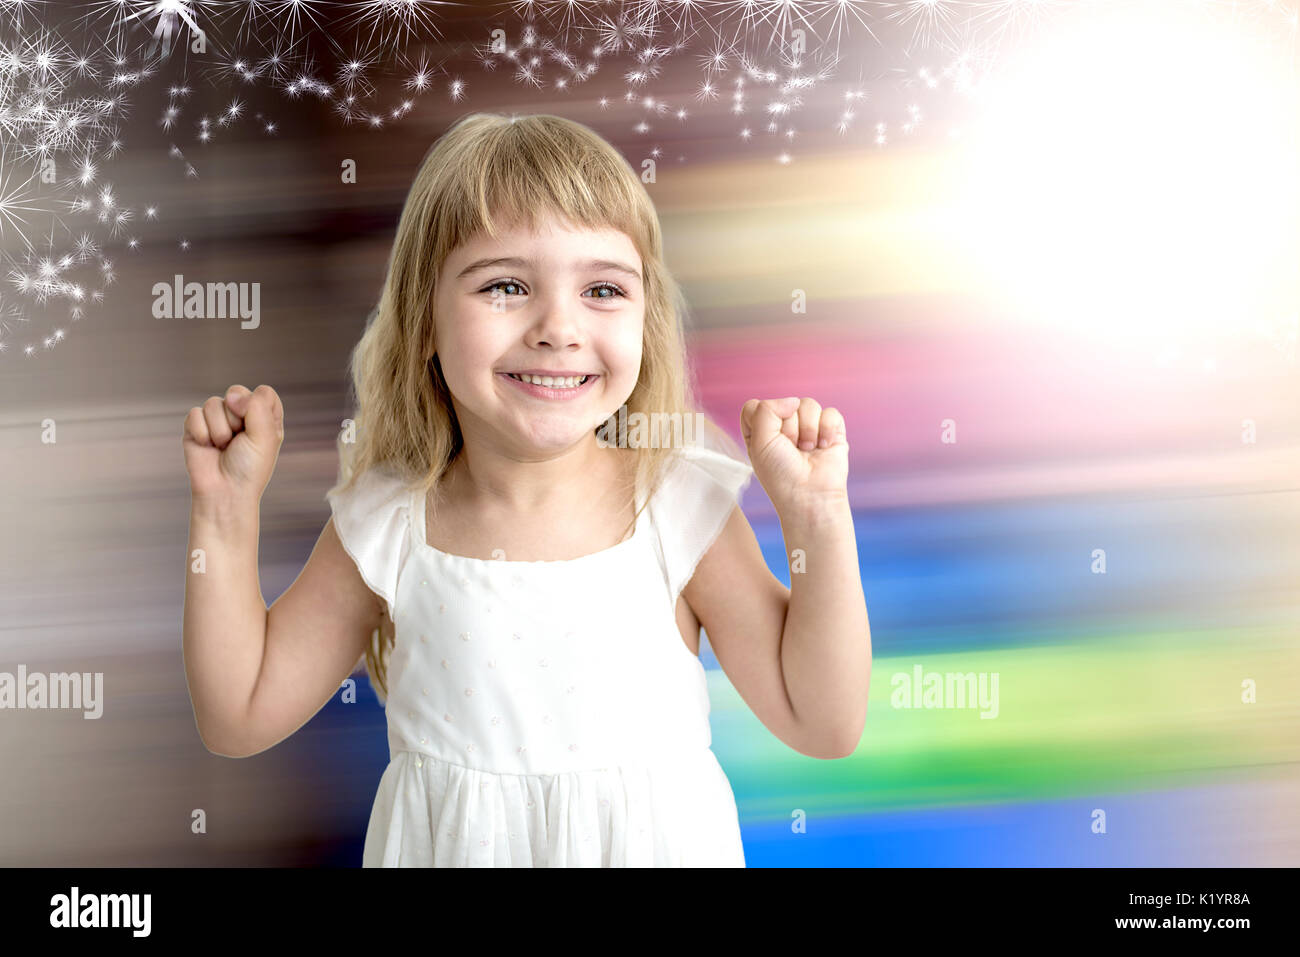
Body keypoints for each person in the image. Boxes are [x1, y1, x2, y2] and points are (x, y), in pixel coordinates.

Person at [182, 112, 870, 866]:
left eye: (603, 288)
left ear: (648, 317)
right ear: (425, 322)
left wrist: (818, 520)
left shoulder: (675, 503)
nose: (558, 326)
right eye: (507, 285)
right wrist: (224, 512)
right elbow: (239, 713)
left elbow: (824, 721)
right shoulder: (390, 521)